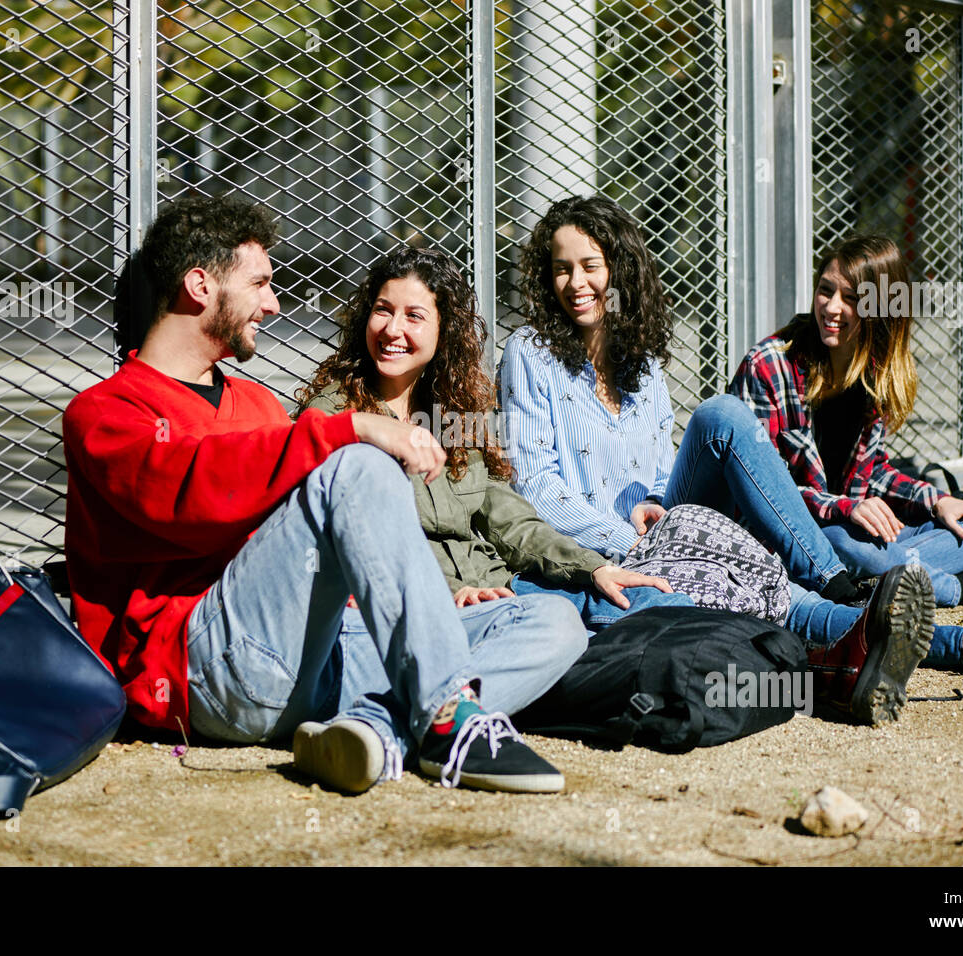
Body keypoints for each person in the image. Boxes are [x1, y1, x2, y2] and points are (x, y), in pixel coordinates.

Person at [62, 193, 585, 796]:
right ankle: (446, 722)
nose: (273, 303)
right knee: (359, 465)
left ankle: (376, 732)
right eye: (259, 283)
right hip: (206, 670)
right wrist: (355, 427)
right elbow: (192, 490)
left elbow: (293, 543)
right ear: (200, 285)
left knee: (554, 620)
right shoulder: (106, 413)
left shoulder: (255, 404)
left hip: (316, 655)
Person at [500, 195, 963, 692]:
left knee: (937, 539)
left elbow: (659, 470)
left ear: (619, 270)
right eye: (560, 270)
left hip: (684, 530)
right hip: (611, 555)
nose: (576, 283)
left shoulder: (642, 362)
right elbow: (538, 489)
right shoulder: (530, 355)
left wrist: (654, 503)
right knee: (809, 596)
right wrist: (629, 534)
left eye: (590, 266)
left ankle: (948, 612)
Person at [297, 245, 693, 636]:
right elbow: (340, 543)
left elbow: (508, 518)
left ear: (444, 330)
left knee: (665, 607)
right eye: (383, 310)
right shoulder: (335, 417)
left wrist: (592, 567)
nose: (392, 329)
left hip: (504, 586)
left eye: (413, 316)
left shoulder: (453, 410)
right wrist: (450, 591)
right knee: (584, 638)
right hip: (429, 608)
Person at [729, 233, 963, 611]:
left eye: (850, 298)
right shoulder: (769, 365)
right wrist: (844, 507)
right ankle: (954, 589)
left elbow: (874, 473)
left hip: (851, 530)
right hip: (791, 538)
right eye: (825, 291)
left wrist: (939, 501)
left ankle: (874, 580)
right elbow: (761, 494)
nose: (832, 307)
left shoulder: (875, 371)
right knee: (842, 541)